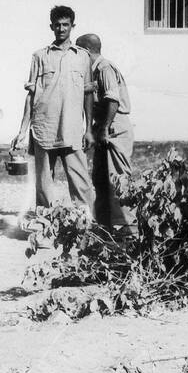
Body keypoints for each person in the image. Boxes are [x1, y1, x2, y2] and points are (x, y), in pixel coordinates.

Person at [11, 5, 95, 215]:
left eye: (65, 25)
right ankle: (45, 226)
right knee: (44, 184)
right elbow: (31, 95)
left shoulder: (82, 57)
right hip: (44, 128)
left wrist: (89, 129)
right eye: (57, 25)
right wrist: (22, 131)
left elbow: (88, 94)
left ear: (72, 26)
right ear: (51, 27)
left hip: (72, 129)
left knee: (81, 182)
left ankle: (84, 226)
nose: (61, 29)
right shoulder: (40, 56)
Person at [72, 33, 135, 233]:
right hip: (104, 127)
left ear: (87, 52)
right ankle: (105, 225)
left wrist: (105, 128)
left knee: (117, 178)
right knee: (100, 178)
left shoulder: (104, 68)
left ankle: (126, 227)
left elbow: (113, 100)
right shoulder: (93, 70)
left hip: (114, 127)